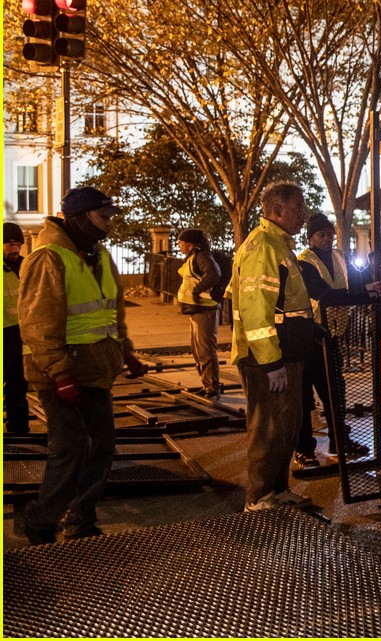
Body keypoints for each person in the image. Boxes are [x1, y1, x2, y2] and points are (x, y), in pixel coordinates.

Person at [16, 187, 147, 544]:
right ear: (79, 217)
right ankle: (41, 520)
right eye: (102, 218)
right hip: (61, 374)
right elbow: (39, 324)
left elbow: (111, 313)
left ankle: (80, 518)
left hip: (95, 370)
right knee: (71, 447)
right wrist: (60, 373)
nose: (108, 226)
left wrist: (126, 352)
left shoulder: (99, 256)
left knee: (102, 446)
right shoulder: (49, 258)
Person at [230, 182, 314, 512]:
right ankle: (259, 497)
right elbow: (255, 308)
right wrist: (271, 362)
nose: (303, 215)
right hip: (268, 358)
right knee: (268, 427)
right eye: (297, 209)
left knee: (285, 426)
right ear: (276, 211)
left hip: (283, 354)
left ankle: (277, 491)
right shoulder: (263, 247)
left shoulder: (277, 244)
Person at [293, 213, 381, 469]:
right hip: (310, 335)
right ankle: (304, 448)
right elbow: (322, 293)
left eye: (330, 234)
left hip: (332, 334)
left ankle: (339, 441)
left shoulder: (339, 257)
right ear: (310, 238)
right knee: (305, 397)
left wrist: (367, 284)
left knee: (336, 393)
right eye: (321, 234)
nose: (327, 238)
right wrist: (362, 291)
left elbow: (353, 282)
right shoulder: (304, 262)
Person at [175, 229, 223, 400]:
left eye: (181, 242)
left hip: (205, 309)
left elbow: (214, 273)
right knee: (198, 350)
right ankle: (207, 385)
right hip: (197, 309)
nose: (178, 245)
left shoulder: (201, 256)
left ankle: (212, 388)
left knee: (205, 350)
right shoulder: (192, 258)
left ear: (190, 244)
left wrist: (197, 290)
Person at [4, 222, 30, 434]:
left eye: (18, 245)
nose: (15, 249)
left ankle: (19, 430)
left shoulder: (24, 267)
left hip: (18, 336)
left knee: (17, 386)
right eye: (10, 245)